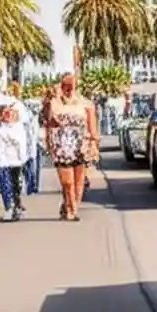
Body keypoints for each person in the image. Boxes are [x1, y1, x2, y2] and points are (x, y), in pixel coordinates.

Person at [45, 74, 99, 221]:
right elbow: (48, 123)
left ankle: (73, 208)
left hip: (80, 144)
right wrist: (48, 142)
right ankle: (70, 206)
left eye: (71, 85)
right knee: (67, 182)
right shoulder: (54, 103)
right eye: (65, 85)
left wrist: (94, 144)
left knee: (79, 180)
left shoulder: (86, 104)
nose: (68, 89)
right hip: (61, 146)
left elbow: (92, 126)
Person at [0, 89, 30, 221]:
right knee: (5, 183)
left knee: (15, 184)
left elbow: (21, 144)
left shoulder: (17, 127)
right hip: (1, 161)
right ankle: (9, 208)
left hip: (15, 161)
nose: (6, 114)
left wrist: (23, 158)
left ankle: (16, 206)